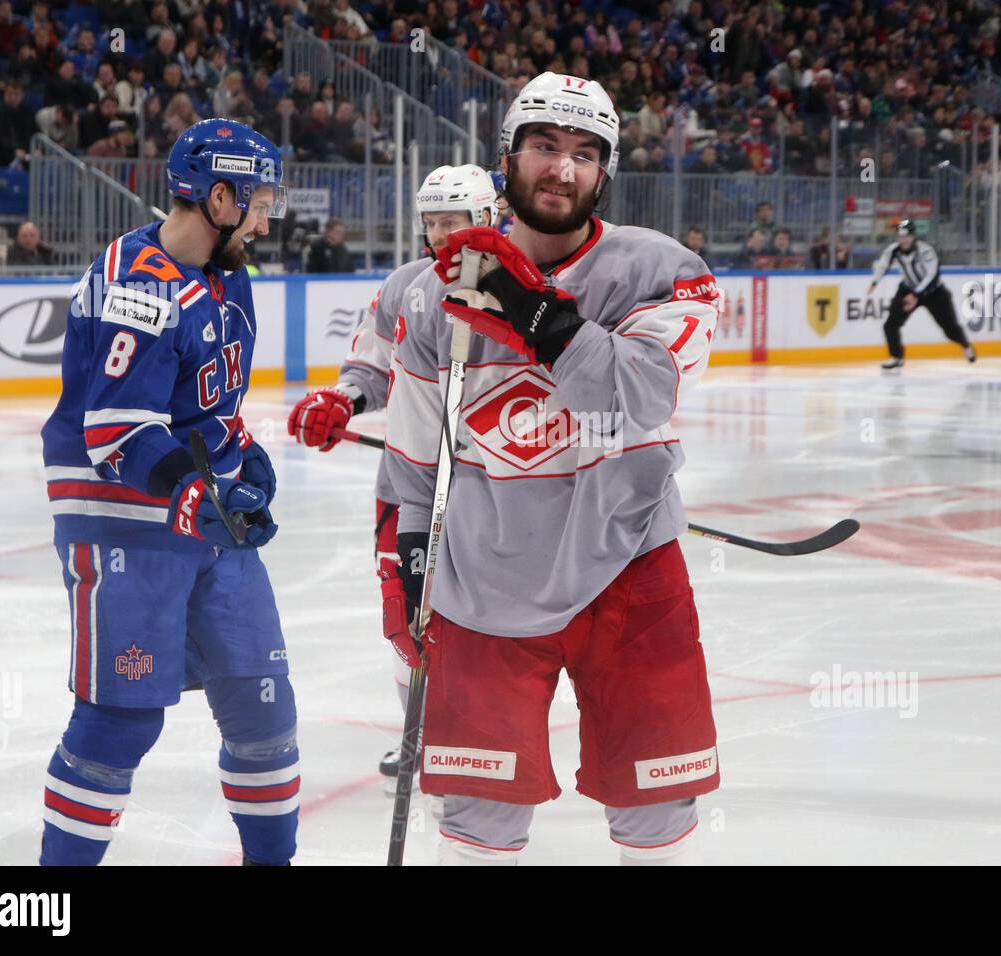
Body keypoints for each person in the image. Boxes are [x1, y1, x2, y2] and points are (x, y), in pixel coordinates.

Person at [385, 72, 722, 866]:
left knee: (655, 815)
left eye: (583, 153)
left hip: (632, 577)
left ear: (606, 172)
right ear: (507, 157)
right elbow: (411, 448)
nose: (561, 169)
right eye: (543, 146)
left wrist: (526, 304)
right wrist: (401, 556)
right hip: (480, 582)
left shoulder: (660, 270)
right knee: (476, 828)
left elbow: (635, 397)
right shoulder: (435, 293)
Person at [37, 119, 299, 866]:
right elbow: (116, 430)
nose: (266, 217)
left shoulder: (231, 277)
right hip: (122, 525)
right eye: (258, 201)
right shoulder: (139, 278)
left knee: (264, 710)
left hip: (201, 519)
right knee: (120, 724)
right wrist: (198, 495)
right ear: (220, 197)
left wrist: (239, 454)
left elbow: (201, 409)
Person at [288, 165, 499, 789]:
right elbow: (371, 366)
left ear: (484, 219)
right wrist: (344, 400)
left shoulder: (525, 290)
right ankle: (422, 734)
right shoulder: (404, 285)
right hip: (407, 488)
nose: (439, 235)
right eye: (431, 222)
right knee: (408, 619)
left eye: (452, 222)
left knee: (488, 620)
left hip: (491, 493)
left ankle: (488, 734)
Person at [868, 220, 974, 370]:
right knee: (890, 325)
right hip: (907, 290)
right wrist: (874, 282)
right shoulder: (893, 250)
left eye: (906, 236)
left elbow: (932, 274)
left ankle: (965, 345)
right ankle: (897, 357)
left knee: (950, 329)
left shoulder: (925, 250)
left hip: (934, 292)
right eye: (900, 236)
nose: (903, 240)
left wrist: (916, 294)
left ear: (913, 236)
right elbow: (883, 265)